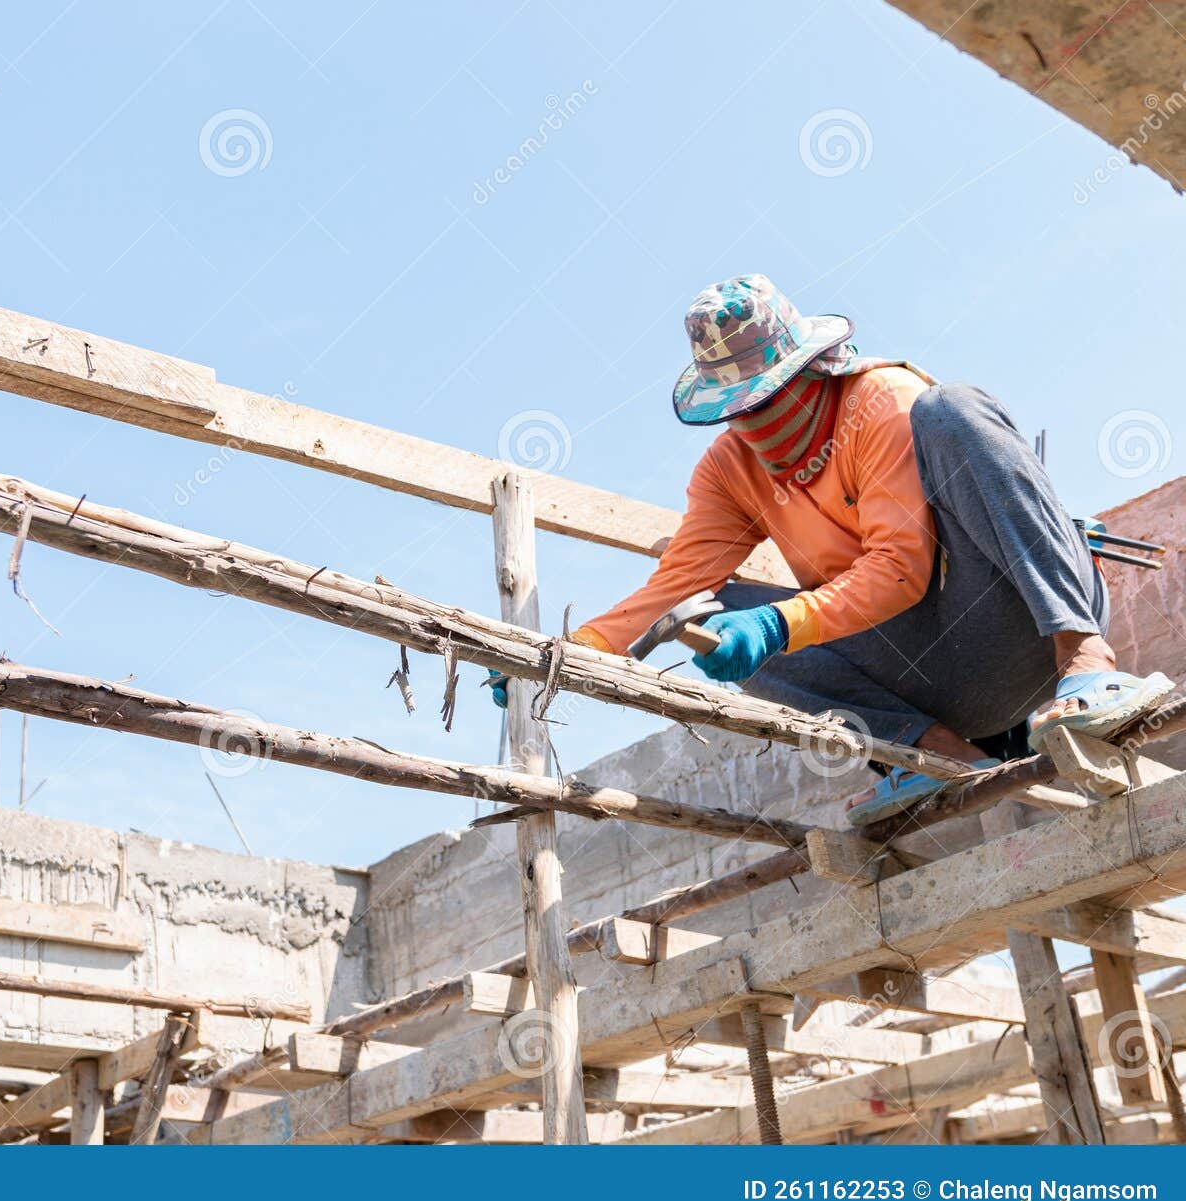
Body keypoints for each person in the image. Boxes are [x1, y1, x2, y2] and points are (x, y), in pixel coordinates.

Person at [496, 274, 1173, 825]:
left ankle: (1087, 659)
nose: (756, 422)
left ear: (811, 367)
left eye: (767, 398)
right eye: (739, 408)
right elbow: (671, 590)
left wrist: (780, 624)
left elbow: (902, 570)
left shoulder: (882, 403)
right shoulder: (732, 471)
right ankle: (928, 753)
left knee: (955, 408)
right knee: (711, 609)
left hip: (1014, 629)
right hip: (936, 681)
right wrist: (561, 656)